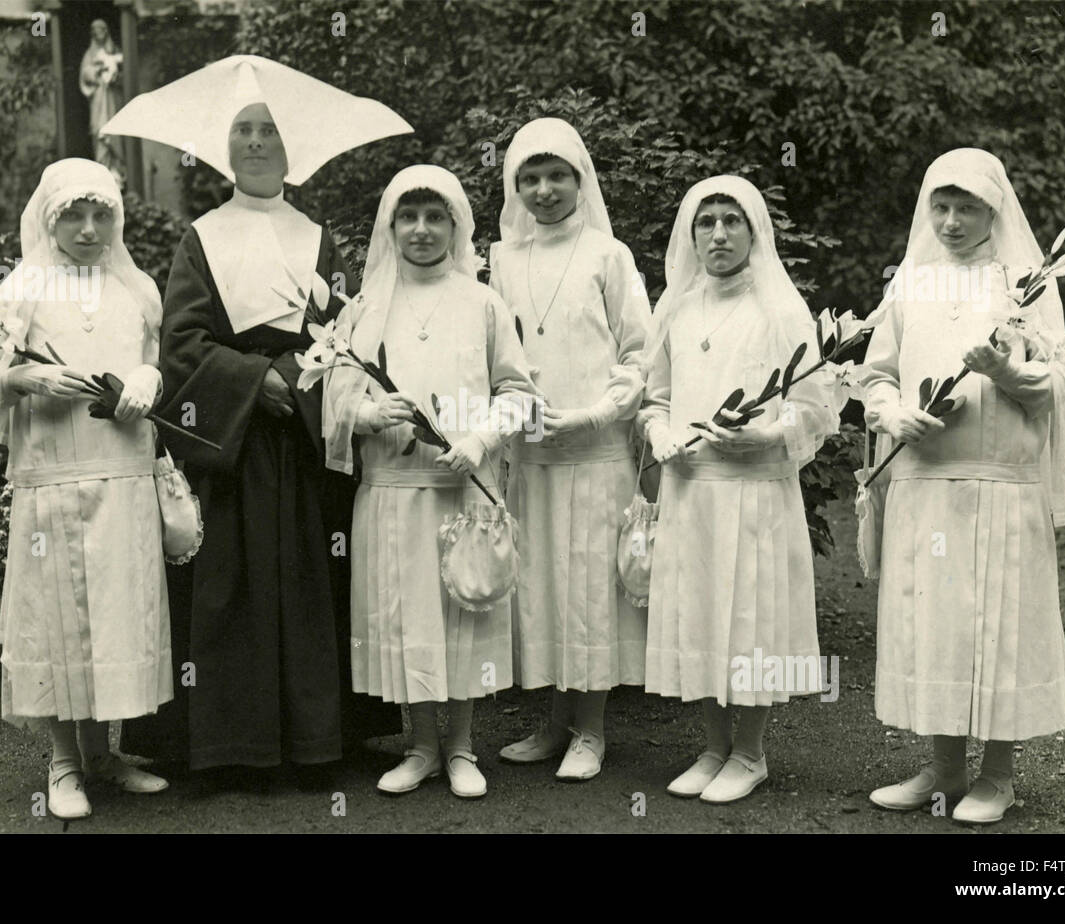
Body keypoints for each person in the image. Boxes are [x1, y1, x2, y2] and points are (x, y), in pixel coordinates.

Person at [129, 99, 396, 778]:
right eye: (243, 131)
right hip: (233, 444)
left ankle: (313, 743)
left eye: (268, 130)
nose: (254, 142)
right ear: (226, 147)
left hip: (301, 443)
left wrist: (296, 381)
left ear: (288, 146)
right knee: (228, 588)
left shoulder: (317, 236)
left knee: (310, 581)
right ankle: (229, 745)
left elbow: (342, 339)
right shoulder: (202, 237)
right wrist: (255, 382)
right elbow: (181, 344)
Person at [860, 148, 1065, 824]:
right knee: (937, 623)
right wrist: (893, 412)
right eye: (942, 207)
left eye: (969, 208)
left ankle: (998, 773)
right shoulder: (911, 284)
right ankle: (945, 766)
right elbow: (876, 373)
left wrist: (1005, 372)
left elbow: (1061, 381)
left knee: (998, 623)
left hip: (1001, 480)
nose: (953, 222)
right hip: (927, 480)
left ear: (994, 209)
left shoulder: (1026, 283)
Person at [0, 158, 171, 820]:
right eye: (73, 216)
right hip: (52, 477)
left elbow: (153, 358)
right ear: (50, 221)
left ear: (116, 219)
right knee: (57, 618)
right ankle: (63, 761)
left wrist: (148, 380)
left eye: (100, 214)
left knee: (112, 615)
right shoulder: (23, 292)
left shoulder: (136, 290)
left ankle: (104, 754)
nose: (87, 228)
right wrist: (23, 381)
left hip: (121, 471)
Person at [323, 165, 537, 798]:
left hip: (461, 489)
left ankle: (464, 746)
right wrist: (364, 413)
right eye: (408, 218)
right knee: (404, 613)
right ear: (391, 228)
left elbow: (519, 393)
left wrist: (478, 438)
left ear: (456, 226)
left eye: (435, 217)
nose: (421, 230)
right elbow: (336, 395)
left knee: (462, 609)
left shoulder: (483, 302)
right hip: (391, 489)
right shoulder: (364, 310)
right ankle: (418, 745)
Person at [636, 175, 840, 803]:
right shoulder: (677, 307)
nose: (719, 234)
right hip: (692, 489)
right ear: (690, 234)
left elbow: (815, 407)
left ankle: (750, 753)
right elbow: (655, 395)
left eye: (732, 220)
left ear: (754, 231)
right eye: (706, 222)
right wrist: (660, 430)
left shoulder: (779, 310)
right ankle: (711, 745)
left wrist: (768, 437)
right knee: (697, 611)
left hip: (754, 490)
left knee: (750, 615)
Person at [489, 118, 651, 781]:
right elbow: (493, 355)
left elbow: (640, 355)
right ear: (514, 186)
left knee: (587, 587)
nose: (544, 188)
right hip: (530, 453)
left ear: (580, 180)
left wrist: (591, 416)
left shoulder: (609, 257)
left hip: (595, 450)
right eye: (530, 177)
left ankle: (591, 728)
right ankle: (553, 721)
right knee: (540, 586)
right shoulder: (500, 261)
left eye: (557, 175)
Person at [78, 19, 125, 181]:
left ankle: (117, 171)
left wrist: (114, 76)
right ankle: (103, 168)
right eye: (95, 30)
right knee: (100, 131)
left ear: (106, 31)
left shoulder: (115, 52)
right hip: (98, 101)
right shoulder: (89, 54)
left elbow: (124, 75)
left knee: (115, 133)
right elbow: (84, 75)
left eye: (101, 30)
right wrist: (98, 71)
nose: (98, 33)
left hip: (113, 99)